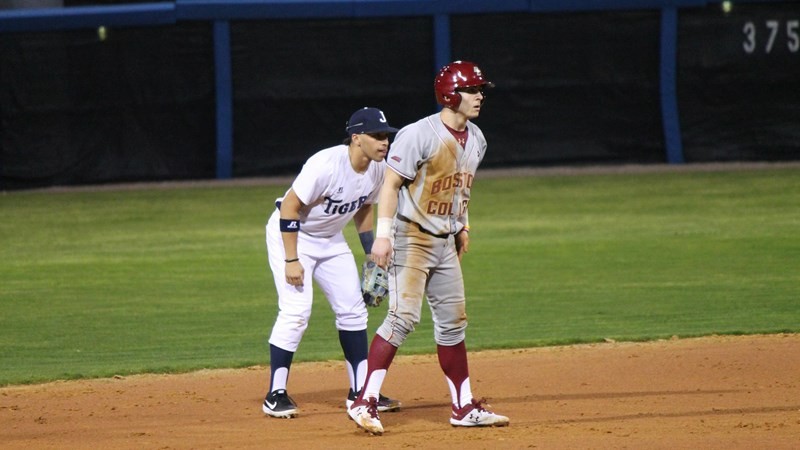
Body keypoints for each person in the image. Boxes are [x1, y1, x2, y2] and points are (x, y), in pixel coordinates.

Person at [347, 61, 509, 434]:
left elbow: (460, 190)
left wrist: (462, 226)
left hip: (444, 242)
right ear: (451, 94)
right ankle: (364, 401)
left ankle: (463, 407)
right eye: (473, 90)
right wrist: (383, 237)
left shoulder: (478, 139)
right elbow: (390, 186)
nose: (480, 96)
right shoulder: (418, 134)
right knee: (403, 318)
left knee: (453, 325)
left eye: (480, 90)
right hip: (411, 237)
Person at [262, 107, 402, 418]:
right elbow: (289, 206)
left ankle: (361, 394)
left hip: (330, 240)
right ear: (356, 138)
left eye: (386, 136)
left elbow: (365, 208)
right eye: (377, 136)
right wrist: (292, 259)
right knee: (297, 311)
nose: (384, 142)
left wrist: (370, 255)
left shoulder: (378, 169)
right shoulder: (325, 164)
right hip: (293, 236)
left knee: (353, 311)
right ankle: (275, 393)